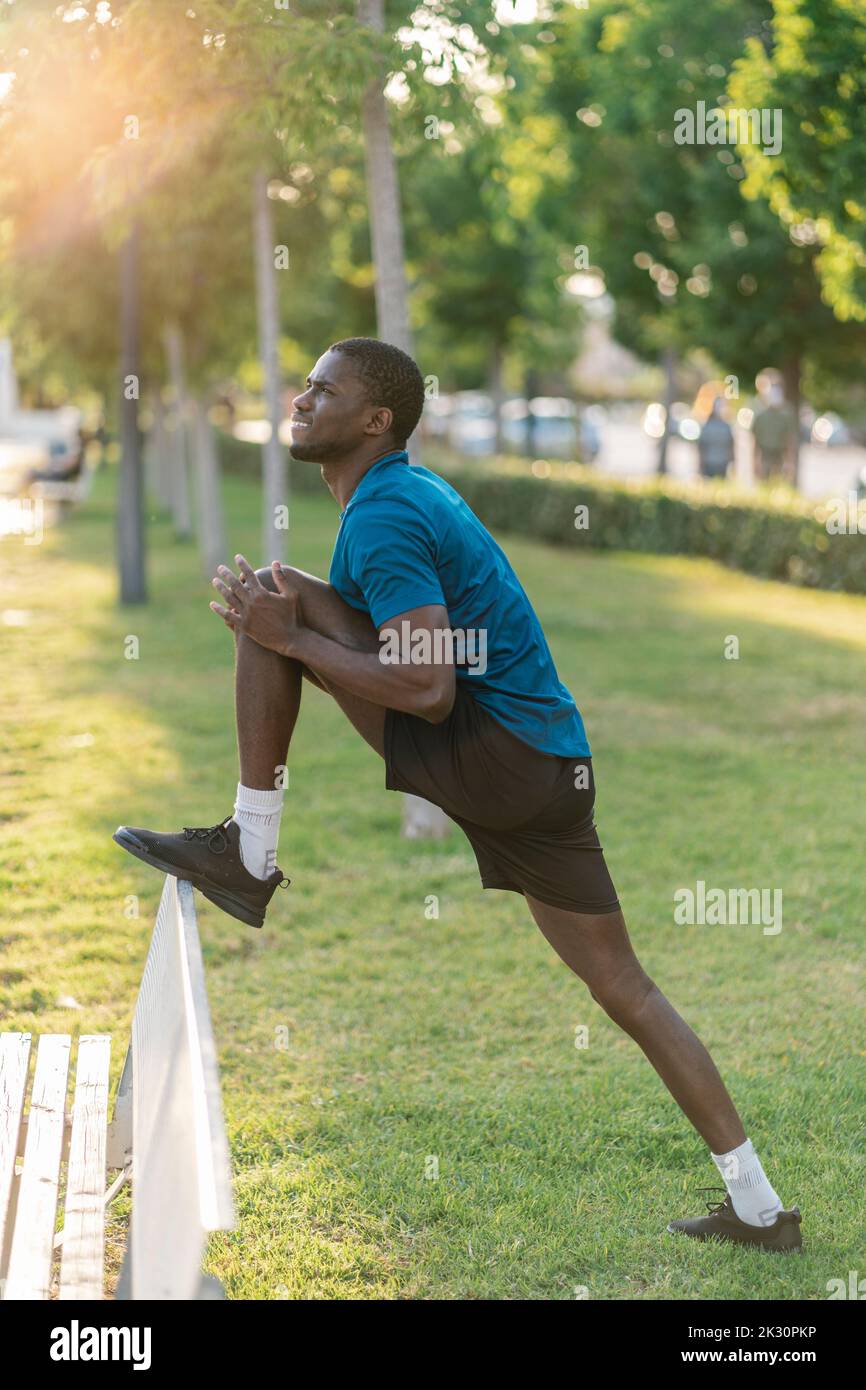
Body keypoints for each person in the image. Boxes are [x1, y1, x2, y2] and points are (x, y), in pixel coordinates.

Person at [114, 336, 802, 1252]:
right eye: (304, 386)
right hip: (552, 771)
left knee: (278, 597)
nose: (302, 398)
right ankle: (760, 1207)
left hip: (499, 755)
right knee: (625, 988)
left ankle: (251, 847)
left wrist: (291, 638)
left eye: (326, 389)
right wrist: (292, 637)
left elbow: (428, 685)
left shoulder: (388, 513)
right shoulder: (405, 492)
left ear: (377, 420)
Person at [751, 384, 795, 481]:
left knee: (777, 483)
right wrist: (755, 462)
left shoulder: (785, 416)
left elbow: (788, 440)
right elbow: (755, 441)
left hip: (779, 454)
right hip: (765, 454)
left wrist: (789, 462)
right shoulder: (761, 417)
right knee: (765, 483)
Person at [697, 397, 734, 479]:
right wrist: (701, 462)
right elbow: (701, 445)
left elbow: (731, 444)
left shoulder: (726, 426)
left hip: (722, 462)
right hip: (709, 463)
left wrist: (732, 461)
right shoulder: (707, 426)